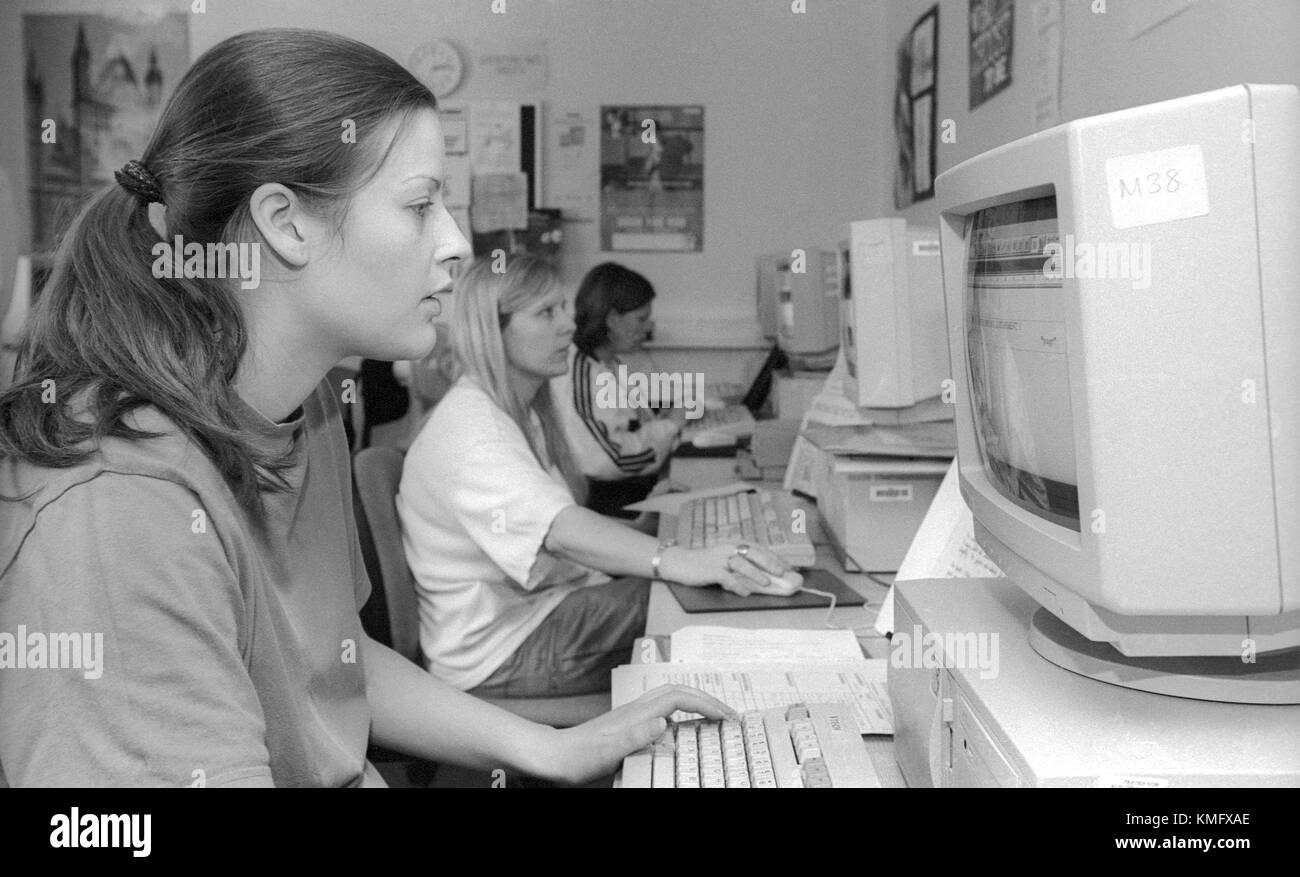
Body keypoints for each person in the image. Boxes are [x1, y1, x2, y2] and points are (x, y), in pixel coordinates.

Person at [0, 28, 737, 788]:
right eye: (420, 205)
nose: (456, 244)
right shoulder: (122, 507)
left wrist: (551, 746)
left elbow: (334, 663)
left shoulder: (307, 410)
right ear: (286, 224)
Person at [397, 255, 801, 699]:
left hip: (536, 611)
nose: (569, 326)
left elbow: (540, 526)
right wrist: (678, 558)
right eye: (546, 313)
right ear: (494, 329)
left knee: (696, 587)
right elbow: (560, 532)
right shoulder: (475, 433)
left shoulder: (514, 409)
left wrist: (637, 533)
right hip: (505, 648)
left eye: (564, 309)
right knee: (697, 600)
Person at [552, 262, 684, 516]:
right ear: (611, 319)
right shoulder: (578, 372)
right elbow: (613, 459)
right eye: (641, 318)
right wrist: (671, 426)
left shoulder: (608, 363)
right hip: (605, 506)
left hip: (627, 491)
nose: (648, 328)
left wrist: (668, 415)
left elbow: (635, 420)